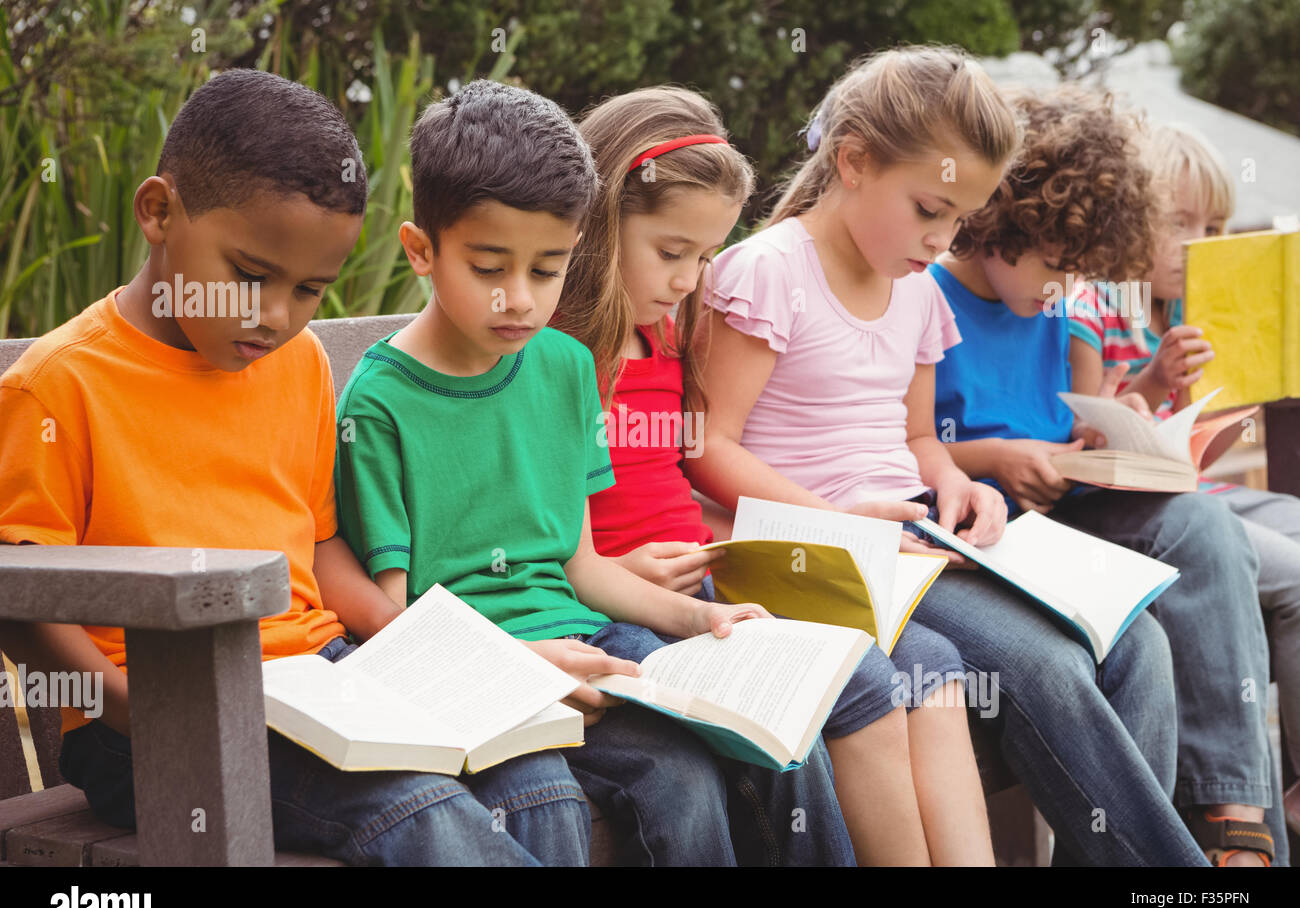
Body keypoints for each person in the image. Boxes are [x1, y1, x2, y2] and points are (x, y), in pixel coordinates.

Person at [0, 70, 594, 865]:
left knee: (535, 778)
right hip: (148, 722)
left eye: (311, 289)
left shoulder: (298, 363)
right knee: (420, 814)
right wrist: (145, 710)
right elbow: (22, 599)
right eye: (249, 276)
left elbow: (317, 547)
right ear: (157, 212)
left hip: (322, 678)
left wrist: (441, 653)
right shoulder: (59, 383)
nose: (275, 316)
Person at [685, 48, 1208, 865]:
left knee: (1137, 641)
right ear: (853, 160)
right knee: (1045, 664)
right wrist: (843, 522)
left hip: (920, 541)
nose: (942, 239)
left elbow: (919, 439)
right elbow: (706, 449)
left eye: (959, 220)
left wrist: (961, 484)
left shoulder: (918, 290)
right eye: (929, 209)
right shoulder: (768, 272)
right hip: (815, 554)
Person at [333, 78, 856, 866]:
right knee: (660, 783)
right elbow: (398, 613)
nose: (520, 300)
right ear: (420, 250)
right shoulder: (379, 406)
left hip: (593, 638)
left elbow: (581, 565)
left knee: (778, 739)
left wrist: (702, 623)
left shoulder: (566, 366)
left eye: (547, 270)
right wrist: (521, 665)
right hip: (483, 668)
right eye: (489, 268)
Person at [552, 83, 994, 865]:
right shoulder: (561, 361)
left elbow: (676, 476)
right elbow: (550, 538)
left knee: (883, 671)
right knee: (802, 715)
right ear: (599, 222)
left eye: (703, 256)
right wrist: (630, 571)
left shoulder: (661, 335)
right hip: (626, 603)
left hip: (704, 575)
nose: (691, 281)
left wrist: (762, 540)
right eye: (671, 253)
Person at [933, 87, 1285, 866]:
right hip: (986, 530)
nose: (1063, 290)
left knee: (1207, 527)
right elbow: (904, 446)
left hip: (1064, 508)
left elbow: (1071, 421)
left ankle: (1237, 824)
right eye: (1058, 267)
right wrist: (997, 459)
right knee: (1147, 636)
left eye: (1078, 274)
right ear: (1002, 219)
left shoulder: (1054, 302)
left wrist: (1108, 428)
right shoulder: (930, 298)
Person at [1066, 120, 1300, 838]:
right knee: (1294, 576)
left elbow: (1208, 439)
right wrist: (1150, 378)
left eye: (1215, 226)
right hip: (1133, 513)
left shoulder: (1196, 310)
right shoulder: (1091, 305)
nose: (1198, 243)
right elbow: (1091, 438)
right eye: (1179, 222)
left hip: (1202, 493)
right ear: (1133, 216)